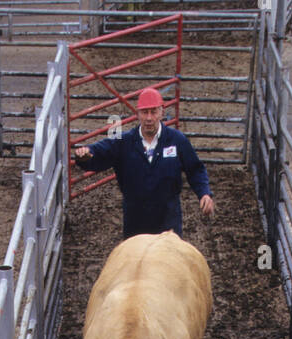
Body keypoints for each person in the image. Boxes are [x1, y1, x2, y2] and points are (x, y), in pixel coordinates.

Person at [73, 87, 215, 240]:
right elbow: (100, 153)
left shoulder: (176, 140)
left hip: (168, 222)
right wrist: (85, 156)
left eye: (153, 112)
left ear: (162, 112)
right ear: (137, 114)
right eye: (144, 112)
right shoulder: (124, 142)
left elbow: (195, 169)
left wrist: (204, 193)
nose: (149, 118)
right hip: (136, 224)